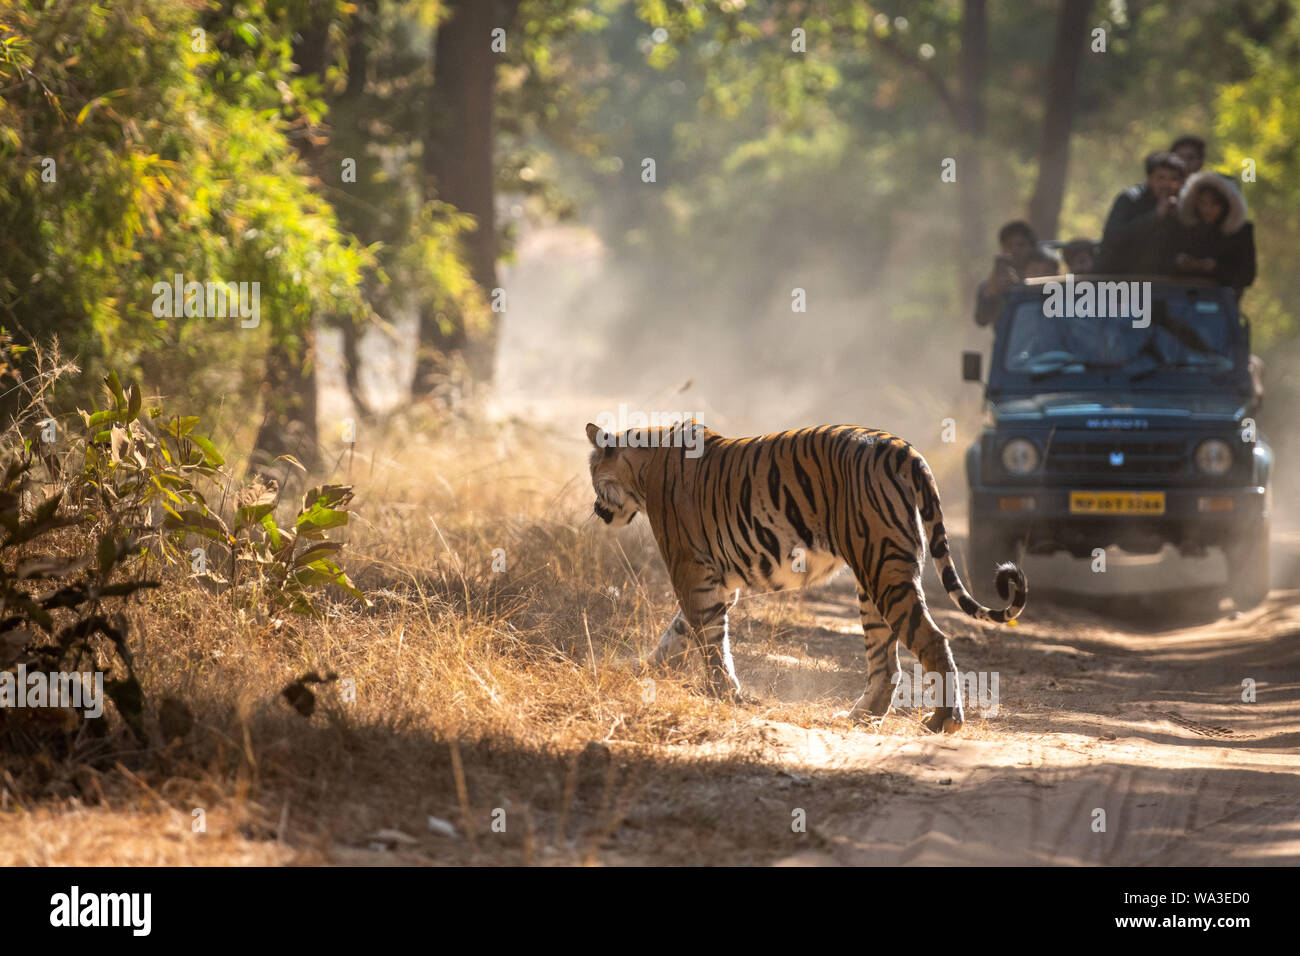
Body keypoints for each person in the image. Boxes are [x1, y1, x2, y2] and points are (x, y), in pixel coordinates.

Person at [1098, 150, 1187, 274]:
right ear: (1150, 179)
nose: (1167, 184)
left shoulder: (1184, 206)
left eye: (1173, 179)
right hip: (1119, 280)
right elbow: (1114, 239)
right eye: (1161, 178)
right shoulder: (1130, 199)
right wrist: (1155, 216)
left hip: (1162, 283)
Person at [1172, 171, 1256, 298]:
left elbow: (1246, 276)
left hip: (1222, 305)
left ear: (1226, 204)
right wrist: (1183, 264)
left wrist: (1216, 268)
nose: (1207, 209)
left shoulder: (1241, 232)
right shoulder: (1184, 226)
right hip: (1182, 299)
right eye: (1202, 203)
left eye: (1214, 204)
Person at [973, 220, 1038, 326]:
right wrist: (991, 293)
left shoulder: (1046, 281)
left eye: (1020, 245)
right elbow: (981, 320)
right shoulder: (990, 287)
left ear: (1032, 248)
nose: (1015, 250)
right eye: (1009, 245)